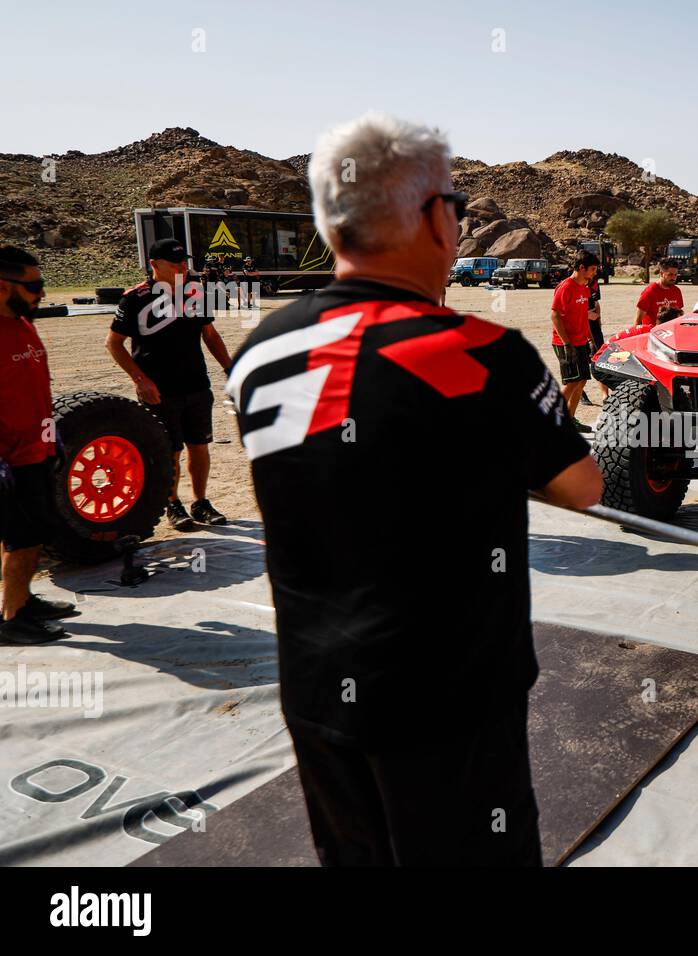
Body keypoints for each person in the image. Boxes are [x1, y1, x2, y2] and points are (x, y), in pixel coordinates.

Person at [227, 113, 602, 866]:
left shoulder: (261, 350)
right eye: (456, 208)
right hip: (449, 700)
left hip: (314, 685)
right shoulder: (484, 352)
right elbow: (582, 487)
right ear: (436, 218)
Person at [106, 238, 233, 530]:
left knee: (200, 446)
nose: (182, 267)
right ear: (154, 264)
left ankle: (200, 502)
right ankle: (172, 504)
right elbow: (113, 344)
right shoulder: (135, 298)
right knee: (170, 449)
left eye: (184, 262)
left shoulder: (194, 293)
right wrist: (140, 379)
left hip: (196, 384)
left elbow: (210, 335)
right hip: (159, 390)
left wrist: (229, 367)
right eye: (175, 262)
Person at [0, 247, 78, 644]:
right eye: (34, 286)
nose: (41, 294)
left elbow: (35, 389)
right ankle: (12, 620)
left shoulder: (23, 323)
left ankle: (23, 601)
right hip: (11, 460)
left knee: (33, 532)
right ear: (2, 287)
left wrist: (54, 435)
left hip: (37, 450)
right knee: (21, 537)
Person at [550, 251, 600, 430]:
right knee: (571, 382)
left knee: (581, 381)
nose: (595, 272)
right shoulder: (566, 287)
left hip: (581, 342)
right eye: (592, 269)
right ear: (581, 268)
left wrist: (592, 341)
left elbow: (582, 317)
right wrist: (566, 343)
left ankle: (569, 420)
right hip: (565, 343)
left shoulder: (585, 287)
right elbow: (555, 315)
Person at [579, 264, 606, 406]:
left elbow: (596, 303)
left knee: (600, 358)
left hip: (594, 325)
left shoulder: (594, 283)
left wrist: (599, 321)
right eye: (593, 270)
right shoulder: (575, 285)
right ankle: (581, 394)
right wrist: (586, 315)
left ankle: (605, 395)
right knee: (582, 361)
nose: (594, 274)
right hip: (580, 325)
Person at [635, 261, 684, 327]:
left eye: (675, 275)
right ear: (661, 273)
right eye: (670, 274)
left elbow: (679, 316)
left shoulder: (677, 291)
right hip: (652, 334)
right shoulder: (650, 292)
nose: (674, 278)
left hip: (670, 333)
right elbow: (638, 322)